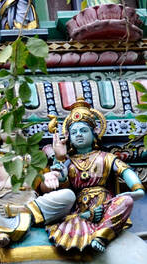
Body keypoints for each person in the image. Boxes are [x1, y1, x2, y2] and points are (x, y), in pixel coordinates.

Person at [46, 100, 144, 254]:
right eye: (74, 132)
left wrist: (137, 189)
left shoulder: (105, 157)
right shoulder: (68, 162)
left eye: (83, 131)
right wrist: (62, 174)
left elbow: (126, 171)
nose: (79, 135)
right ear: (68, 137)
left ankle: (102, 236)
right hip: (80, 211)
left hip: (106, 206)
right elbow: (64, 189)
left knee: (126, 201)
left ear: (94, 133)